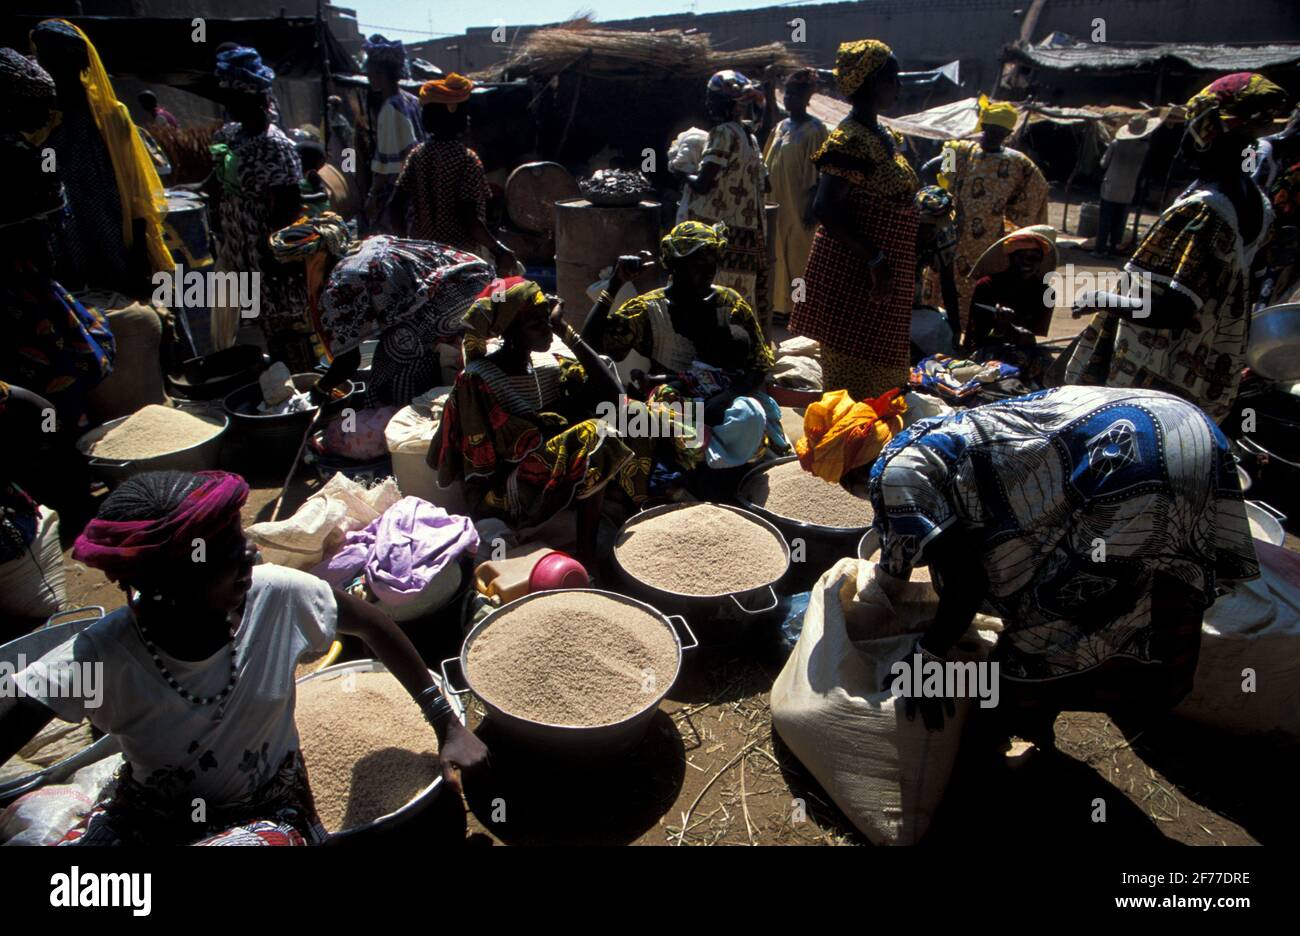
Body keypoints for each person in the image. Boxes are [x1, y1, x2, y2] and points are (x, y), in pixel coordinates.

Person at [0, 470, 488, 845]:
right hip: (154, 816)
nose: (252, 553)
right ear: (169, 582)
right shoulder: (105, 655)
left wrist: (445, 720)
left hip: (269, 813)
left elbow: (372, 623)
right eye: (230, 549)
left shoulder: (275, 595)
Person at [861, 385, 1259, 743]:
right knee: (1150, 587)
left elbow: (968, 582)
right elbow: (929, 548)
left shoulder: (892, 480)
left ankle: (1005, 732)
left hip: (1135, 468)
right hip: (1179, 421)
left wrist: (928, 658)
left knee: (1043, 629)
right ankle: (1041, 718)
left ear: (853, 481)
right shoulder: (921, 435)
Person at [1064, 73, 1287, 424]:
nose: (1185, 138)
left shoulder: (1205, 210)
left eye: (1191, 126)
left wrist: (1102, 299)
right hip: (1206, 371)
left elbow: (1177, 309)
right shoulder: (1260, 204)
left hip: (1162, 371)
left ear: (1210, 129)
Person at [432, 280, 653, 565]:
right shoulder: (479, 379)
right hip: (506, 492)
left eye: (547, 321)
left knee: (636, 414)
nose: (547, 329)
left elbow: (614, 396)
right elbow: (484, 462)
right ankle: (587, 560)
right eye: (537, 324)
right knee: (596, 436)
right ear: (511, 332)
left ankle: (633, 507)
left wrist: (565, 329)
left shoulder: (546, 364)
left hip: (549, 472)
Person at [583, 221, 789, 473]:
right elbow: (588, 346)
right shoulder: (648, 310)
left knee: (751, 417)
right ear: (675, 266)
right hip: (676, 407)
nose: (709, 271)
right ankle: (707, 462)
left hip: (729, 398)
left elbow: (758, 365)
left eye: (713, 262)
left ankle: (721, 459)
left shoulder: (729, 303)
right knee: (660, 426)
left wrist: (726, 397)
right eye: (699, 263)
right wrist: (615, 285)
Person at [789, 40, 920, 401]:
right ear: (869, 82)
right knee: (852, 390)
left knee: (885, 384)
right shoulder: (849, 140)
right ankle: (847, 452)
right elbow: (826, 207)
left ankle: (871, 449)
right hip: (855, 281)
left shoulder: (884, 136)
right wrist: (874, 258)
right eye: (892, 78)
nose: (899, 86)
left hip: (884, 279)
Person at [0, 132, 114, 527]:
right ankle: (64, 494)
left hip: (32, 301)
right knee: (47, 411)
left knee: (56, 408)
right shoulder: (22, 160)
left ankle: (69, 489)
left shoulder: (30, 155)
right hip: (23, 308)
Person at [269, 213, 493, 407]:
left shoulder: (340, 284)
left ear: (313, 260)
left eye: (298, 269)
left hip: (461, 292)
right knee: (410, 346)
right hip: (476, 278)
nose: (296, 278)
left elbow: (348, 362)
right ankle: (431, 406)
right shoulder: (361, 249)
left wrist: (318, 391)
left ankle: (391, 421)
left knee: (392, 358)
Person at [30, 19, 172, 296]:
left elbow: (137, 188)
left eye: (62, 63)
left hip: (115, 233)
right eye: (48, 62)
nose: (56, 72)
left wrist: (140, 252)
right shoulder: (41, 123)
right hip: (66, 240)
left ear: (82, 64)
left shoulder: (110, 117)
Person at [205, 46, 314, 370]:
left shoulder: (274, 145)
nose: (226, 102)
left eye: (231, 94)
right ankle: (275, 386)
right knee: (261, 329)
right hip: (242, 250)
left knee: (285, 328)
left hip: (268, 258)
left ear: (251, 96)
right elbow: (217, 182)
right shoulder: (233, 136)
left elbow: (288, 207)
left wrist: (276, 257)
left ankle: (302, 389)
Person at [921, 94, 1049, 332]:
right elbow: (930, 168)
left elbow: (1036, 192)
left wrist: (1014, 217)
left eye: (998, 133)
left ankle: (970, 337)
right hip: (950, 236)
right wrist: (940, 199)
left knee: (977, 291)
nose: (991, 136)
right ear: (983, 126)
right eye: (989, 130)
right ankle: (941, 334)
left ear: (1007, 135)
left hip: (986, 243)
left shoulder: (1017, 164)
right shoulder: (958, 150)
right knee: (942, 285)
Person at [391, 74, 515, 270]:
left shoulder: (417, 155)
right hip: (458, 262)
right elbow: (471, 219)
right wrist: (499, 250)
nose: (468, 118)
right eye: (465, 112)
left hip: (423, 259)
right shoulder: (466, 159)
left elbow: (394, 206)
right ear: (453, 115)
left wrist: (406, 246)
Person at [679, 70, 770, 324]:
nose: (708, 104)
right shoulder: (749, 139)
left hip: (717, 234)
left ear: (718, 102)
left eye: (711, 98)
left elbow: (704, 184)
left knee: (710, 295)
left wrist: (681, 170)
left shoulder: (722, 134)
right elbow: (766, 183)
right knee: (736, 299)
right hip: (745, 237)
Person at [763, 69, 829, 328]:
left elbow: (823, 172)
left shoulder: (816, 130)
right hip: (776, 205)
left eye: (795, 94)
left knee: (799, 259)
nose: (790, 98)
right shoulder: (780, 127)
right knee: (777, 254)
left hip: (800, 206)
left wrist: (814, 206)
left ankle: (800, 310)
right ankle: (780, 307)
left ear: (806, 97)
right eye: (787, 93)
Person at [964, 224, 1058, 384]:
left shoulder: (1045, 292)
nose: (1028, 263)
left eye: (1034, 258)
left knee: (1053, 373)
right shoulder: (987, 285)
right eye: (1023, 257)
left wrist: (1019, 334)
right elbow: (976, 336)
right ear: (1011, 258)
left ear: (1041, 261)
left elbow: (1033, 336)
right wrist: (1001, 327)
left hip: (1024, 351)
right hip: (985, 349)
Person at [362, 35, 424, 234]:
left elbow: (386, 167)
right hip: (418, 191)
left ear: (381, 72)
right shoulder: (411, 100)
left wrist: (373, 195)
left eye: (370, 69)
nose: (367, 74)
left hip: (398, 196)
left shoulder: (390, 109)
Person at [1095, 114, 1155, 256]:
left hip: (1110, 187)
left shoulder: (1116, 144)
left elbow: (1104, 163)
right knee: (1120, 221)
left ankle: (1099, 248)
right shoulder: (1145, 148)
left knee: (1105, 219)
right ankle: (1113, 248)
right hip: (1128, 189)